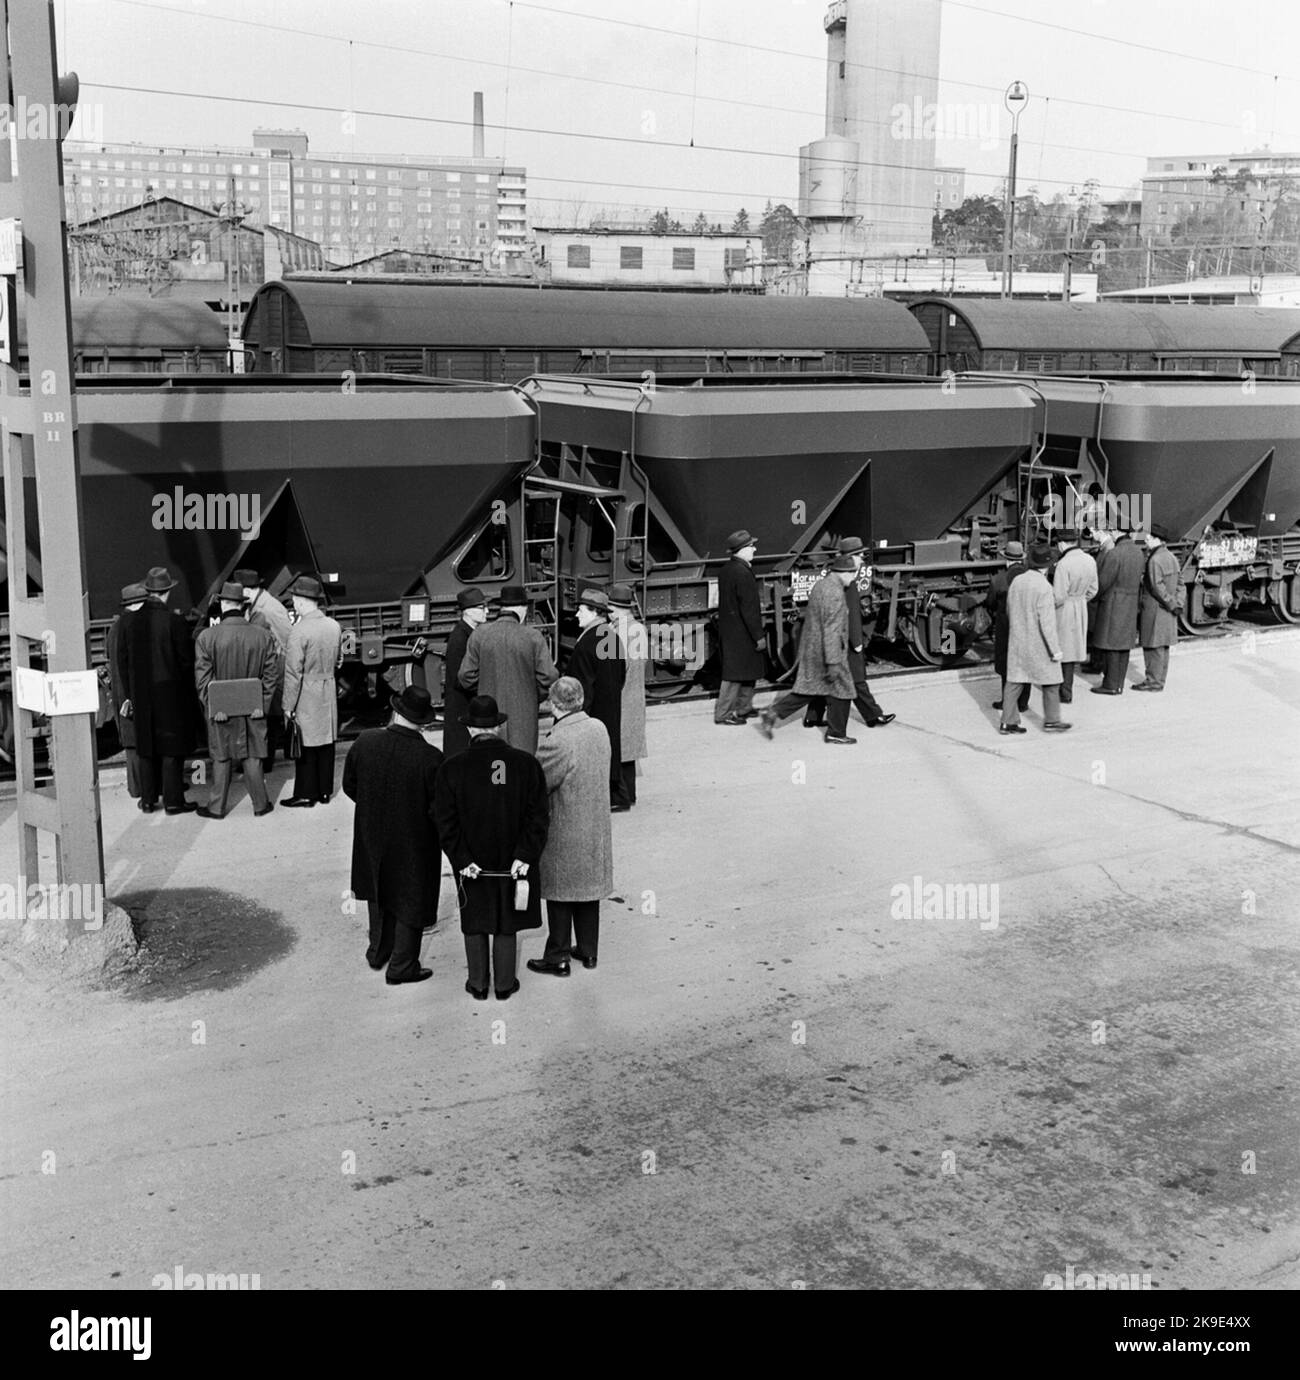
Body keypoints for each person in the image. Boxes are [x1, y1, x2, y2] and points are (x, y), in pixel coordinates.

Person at [433, 695, 549, 1002]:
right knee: (506, 921)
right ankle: (505, 986)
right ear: (499, 727)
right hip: (513, 861)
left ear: (470, 729)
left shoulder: (451, 769)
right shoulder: (526, 764)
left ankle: (478, 984)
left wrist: (462, 859)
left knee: (475, 918)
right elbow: (538, 816)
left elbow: (445, 822)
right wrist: (525, 855)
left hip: (472, 862)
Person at [342, 685, 444, 985]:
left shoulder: (365, 741)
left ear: (396, 712)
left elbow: (351, 785)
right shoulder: (429, 757)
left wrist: (373, 808)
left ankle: (378, 950)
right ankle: (401, 965)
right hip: (414, 836)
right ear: (424, 722)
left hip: (372, 830)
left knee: (378, 887)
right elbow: (437, 808)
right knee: (411, 895)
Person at [527, 677, 613, 978]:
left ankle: (558, 956)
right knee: (588, 890)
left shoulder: (558, 741)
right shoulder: (598, 728)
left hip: (566, 827)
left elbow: (539, 782)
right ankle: (589, 951)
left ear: (553, 704)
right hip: (596, 826)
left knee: (561, 891)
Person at [115, 566, 199, 814]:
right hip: (171, 694)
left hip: (141, 694)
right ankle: (173, 801)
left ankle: (149, 800)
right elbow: (186, 661)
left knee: (146, 747)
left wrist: (131, 693)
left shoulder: (129, 623)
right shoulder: (174, 621)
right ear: (167, 592)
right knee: (172, 748)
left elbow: (123, 661)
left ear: (149, 591)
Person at [193, 581, 279, 819]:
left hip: (221, 712)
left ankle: (216, 807)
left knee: (221, 757)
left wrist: (214, 707)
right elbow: (271, 676)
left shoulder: (206, 637)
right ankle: (261, 805)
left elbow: (202, 680)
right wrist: (260, 705)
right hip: (253, 710)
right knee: (253, 756)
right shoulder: (263, 636)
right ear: (243, 606)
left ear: (222, 605)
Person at [755, 555, 857, 745]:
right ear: (844, 573)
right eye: (853, 573)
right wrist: (833, 662)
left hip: (813, 648)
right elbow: (832, 630)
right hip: (827, 651)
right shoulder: (834, 593)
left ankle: (772, 713)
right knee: (844, 690)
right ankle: (836, 733)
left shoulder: (822, 584)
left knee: (809, 689)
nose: (854, 577)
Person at [802, 536, 895, 730]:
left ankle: (813, 715)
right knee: (857, 678)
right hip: (845, 640)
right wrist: (857, 640)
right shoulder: (848, 580)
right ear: (852, 557)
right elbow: (851, 613)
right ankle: (873, 715)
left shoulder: (833, 574)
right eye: (860, 555)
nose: (862, 559)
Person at [457, 584, 557, 755]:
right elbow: (548, 676)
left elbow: (466, 676)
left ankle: (498, 781)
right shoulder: (533, 636)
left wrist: (485, 689)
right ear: (523, 609)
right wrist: (532, 696)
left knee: (493, 764)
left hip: (488, 718)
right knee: (521, 764)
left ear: (502, 607)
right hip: (524, 717)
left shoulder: (480, 634)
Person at [281, 574, 343, 806]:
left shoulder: (299, 631)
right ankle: (325, 791)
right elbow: (340, 660)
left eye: (295, 598)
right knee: (326, 741)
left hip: (307, 690)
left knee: (305, 743)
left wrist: (287, 705)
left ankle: (307, 794)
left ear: (302, 601)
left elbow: (293, 673)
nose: (294, 603)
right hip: (328, 687)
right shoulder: (334, 626)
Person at [565, 587, 627, 807]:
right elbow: (621, 673)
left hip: (591, 712)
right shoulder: (611, 636)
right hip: (610, 705)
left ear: (594, 612)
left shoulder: (587, 643)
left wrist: (577, 718)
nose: (577, 615)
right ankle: (617, 795)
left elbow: (582, 686)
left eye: (581, 610)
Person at [1000, 545, 1070, 735]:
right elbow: (1047, 623)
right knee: (1052, 682)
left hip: (1017, 641)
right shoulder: (1044, 587)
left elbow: (1008, 610)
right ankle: (1052, 721)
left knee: (1014, 682)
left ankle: (1007, 722)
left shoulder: (1017, 581)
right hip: (1039, 645)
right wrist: (1055, 650)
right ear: (1046, 566)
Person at [236, 568, 290, 771]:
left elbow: (287, 641)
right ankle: (263, 759)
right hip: (269, 668)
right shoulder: (259, 604)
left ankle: (266, 761)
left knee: (271, 716)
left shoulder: (269, 609)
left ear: (249, 590)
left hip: (275, 669)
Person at [715, 529, 765, 726]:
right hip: (743, 632)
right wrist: (758, 636)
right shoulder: (743, 573)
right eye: (751, 546)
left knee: (746, 670)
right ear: (742, 550)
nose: (754, 549)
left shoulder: (728, 569)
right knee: (734, 674)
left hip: (733, 631)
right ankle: (724, 713)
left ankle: (743, 707)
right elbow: (749, 609)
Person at [1090, 529, 1146, 695]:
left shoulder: (1115, 554)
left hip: (1113, 604)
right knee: (1123, 646)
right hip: (1130, 602)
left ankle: (1111, 685)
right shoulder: (1138, 552)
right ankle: (1119, 682)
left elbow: (1103, 582)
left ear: (1116, 532)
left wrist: (1093, 597)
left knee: (1111, 645)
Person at [106, 581, 147, 800]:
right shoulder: (134, 626)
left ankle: (135, 787)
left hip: (120, 693)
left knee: (131, 743)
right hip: (132, 693)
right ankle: (144, 788)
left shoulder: (114, 628)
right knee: (140, 742)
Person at [608, 583, 647, 809]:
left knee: (620, 747)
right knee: (629, 749)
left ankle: (621, 798)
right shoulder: (638, 628)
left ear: (616, 610)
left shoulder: (620, 632)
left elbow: (618, 668)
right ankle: (630, 795)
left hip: (622, 695)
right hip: (634, 694)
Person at [1051, 530, 1098, 704]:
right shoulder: (1089, 560)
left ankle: (1062, 691)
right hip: (1080, 607)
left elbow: (1058, 596)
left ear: (1062, 544)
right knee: (1072, 650)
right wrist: (1080, 600)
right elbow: (1094, 590)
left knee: (1062, 649)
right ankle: (1066, 691)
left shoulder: (1063, 564)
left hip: (1064, 610)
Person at [441, 588, 488, 759]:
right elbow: (461, 678)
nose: (487, 611)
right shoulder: (461, 638)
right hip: (462, 706)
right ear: (468, 611)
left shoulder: (466, 633)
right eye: (482, 608)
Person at [985, 540, 1030, 714]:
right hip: (1027, 625)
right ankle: (1023, 703)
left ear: (1006, 560)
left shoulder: (998, 579)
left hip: (1006, 626)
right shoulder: (1030, 576)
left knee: (1006, 664)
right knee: (1025, 663)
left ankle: (1007, 701)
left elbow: (990, 602)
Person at [1134, 525, 1181, 692]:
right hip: (1168, 609)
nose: (1146, 539)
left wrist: (1171, 603)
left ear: (1158, 540)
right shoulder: (1172, 557)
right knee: (1163, 646)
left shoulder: (1154, 560)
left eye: (1150, 537)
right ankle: (1159, 680)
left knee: (1152, 645)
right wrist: (1177, 603)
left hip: (1155, 608)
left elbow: (1156, 586)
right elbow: (1180, 583)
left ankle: (1153, 681)